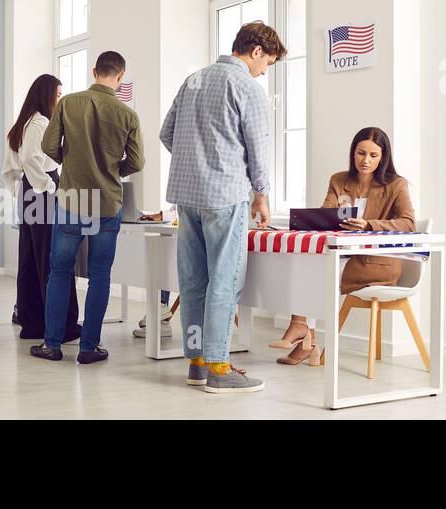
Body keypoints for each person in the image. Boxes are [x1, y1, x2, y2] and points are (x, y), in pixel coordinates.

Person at [160, 21, 286, 393]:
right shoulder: (247, 87)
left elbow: (167, 133)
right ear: (257, 50)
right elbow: (259, 151)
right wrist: (260, 194)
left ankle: (197, 361)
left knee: (194, 281)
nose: (264, 72)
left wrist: (195, 160)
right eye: (267, 63)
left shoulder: (193, 80)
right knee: (225, 281)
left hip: (187, 196)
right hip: (224, 195)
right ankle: (219, 365)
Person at [30, 51, 144, 364]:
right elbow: (137, 162)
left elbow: (48, 147)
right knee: (99, 275)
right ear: (120, 77)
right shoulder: (127, 114)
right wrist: (111, 171)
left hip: (72, 200)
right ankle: (89, 347)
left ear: (95, 71)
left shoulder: (68, 103)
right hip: (107, 201)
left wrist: (74, 164)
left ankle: (52, 345)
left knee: (60, 272)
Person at [273, 127, 416, 366]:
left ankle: (303, 333)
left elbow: (409, 223)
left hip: (376, 264)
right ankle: (304, 336)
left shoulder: (396, 185)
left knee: (314, 272)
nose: (366, 160)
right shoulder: (339, 180)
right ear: (353, 153)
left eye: (373, 155)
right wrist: (326, 217)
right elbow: (324, 215)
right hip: (341, 256)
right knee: (306, 264)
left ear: (383, 158)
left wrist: (369, 224)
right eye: (361, 153)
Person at [1, 74, 81, 344]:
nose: (60, 99)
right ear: (47, 95)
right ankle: (63, 325)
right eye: (58, 94)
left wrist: (22, 191)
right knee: (53, 258)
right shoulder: (40, 122)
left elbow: (11, 169)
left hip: (29, 192)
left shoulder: (22, 124)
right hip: (43, 191)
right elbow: (31, 159)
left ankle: (32, 321)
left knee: (31, 258)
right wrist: (50, 187)